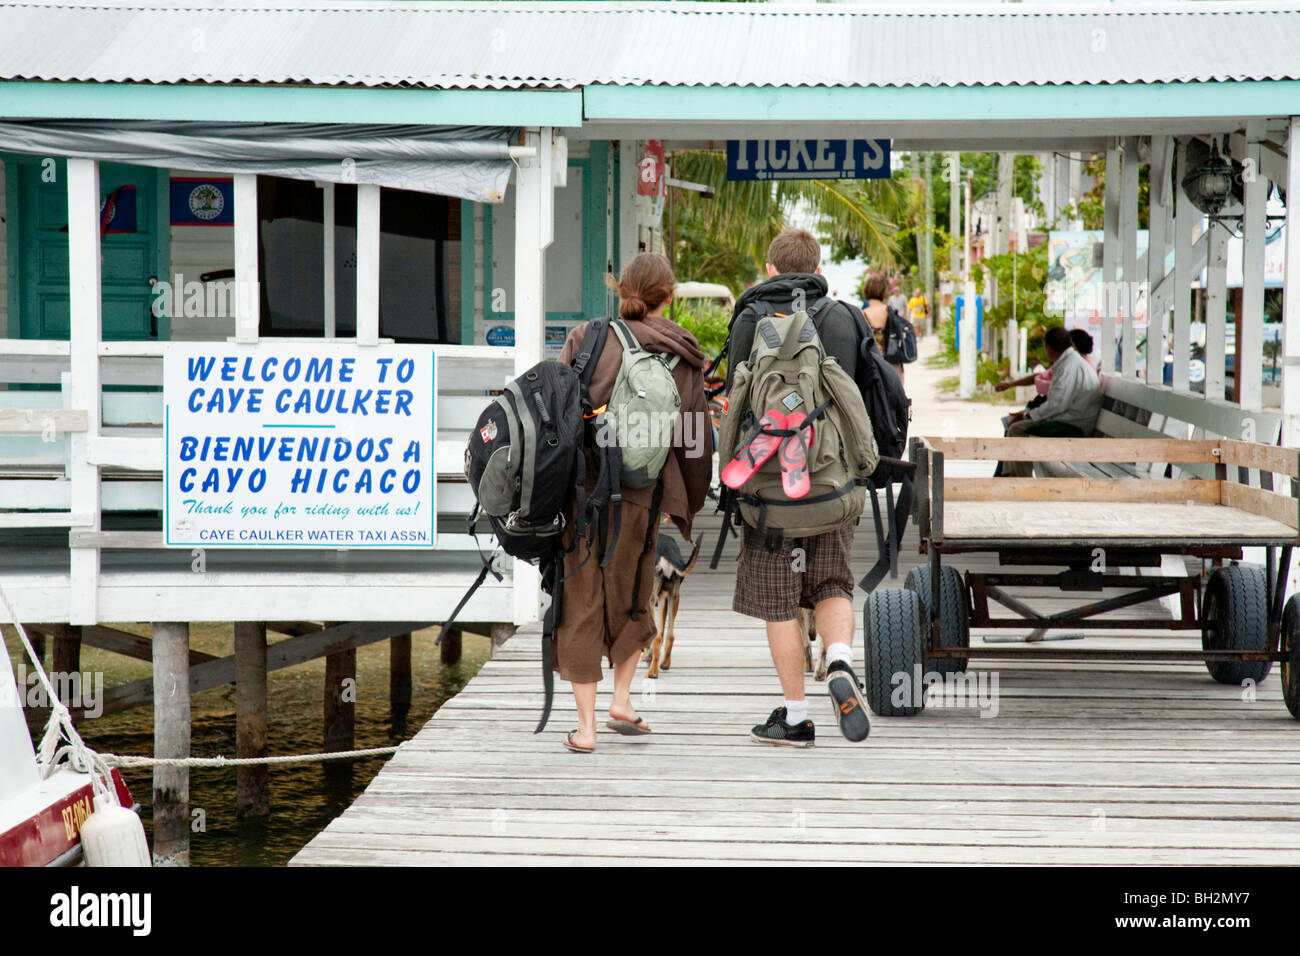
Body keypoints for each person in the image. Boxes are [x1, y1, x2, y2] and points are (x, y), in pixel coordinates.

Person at [554, 252, 712, 753]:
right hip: (640, 497)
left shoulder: (588, 337)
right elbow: (694, 438)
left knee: (581, 602)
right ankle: (622, 699)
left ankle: (586, 728)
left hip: (582, 495)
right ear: (670, 297)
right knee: (631, 595)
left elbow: (556, 413)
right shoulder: (683, 354)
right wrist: (688, 500)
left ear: (622, 290)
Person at [723, 228, 874, 746]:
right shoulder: (842, 319)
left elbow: (734, 408)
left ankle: (795, 716)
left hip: (768, 490)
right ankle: (838, 662)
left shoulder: (750, 319)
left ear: (770, 269)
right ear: (818, 266)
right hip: (831, 484)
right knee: (832, 583)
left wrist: (726, 482)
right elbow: (867, 401)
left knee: (779, 603)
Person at [997, 326, 1102, 478]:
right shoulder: (1069, 362)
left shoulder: (1068, 367)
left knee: (1016, 430)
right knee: (1017, 427)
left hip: (1073, 425)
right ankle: (1011, 475)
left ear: (1047, 346)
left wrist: (1027, 415)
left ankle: (1019, 479)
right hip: (1073, 419)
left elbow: (1056, 405)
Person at [861, 271, 905, 383]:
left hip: (870, 368)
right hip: (892, 365)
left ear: (866, 290)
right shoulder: (890, 312)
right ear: (883, 291)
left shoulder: (861, 315)